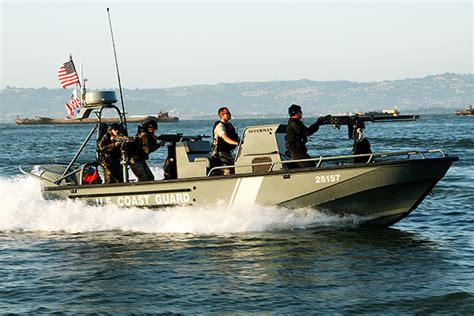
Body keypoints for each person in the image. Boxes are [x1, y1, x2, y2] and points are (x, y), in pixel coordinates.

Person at [285, 104, 326, 169]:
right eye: (300, 111)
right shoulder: (295, 123)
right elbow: (307, 132)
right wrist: (317, 123)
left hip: (297, 150)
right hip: (296, 150)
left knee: (306, 164)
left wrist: (318, 124)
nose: (301, 113)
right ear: (296, 113)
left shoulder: (294, 122)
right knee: (310, 165)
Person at [211, 107, 240, 175]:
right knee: (227, 172)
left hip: (229, 153)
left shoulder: (229, 125)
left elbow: (235, 136)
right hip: (221, 154)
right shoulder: (220, 126)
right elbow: (225, 138)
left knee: (233, 171)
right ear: (222, 115)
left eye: (229, 113)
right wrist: (236, 143)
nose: (229, 114)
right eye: (227, 113)